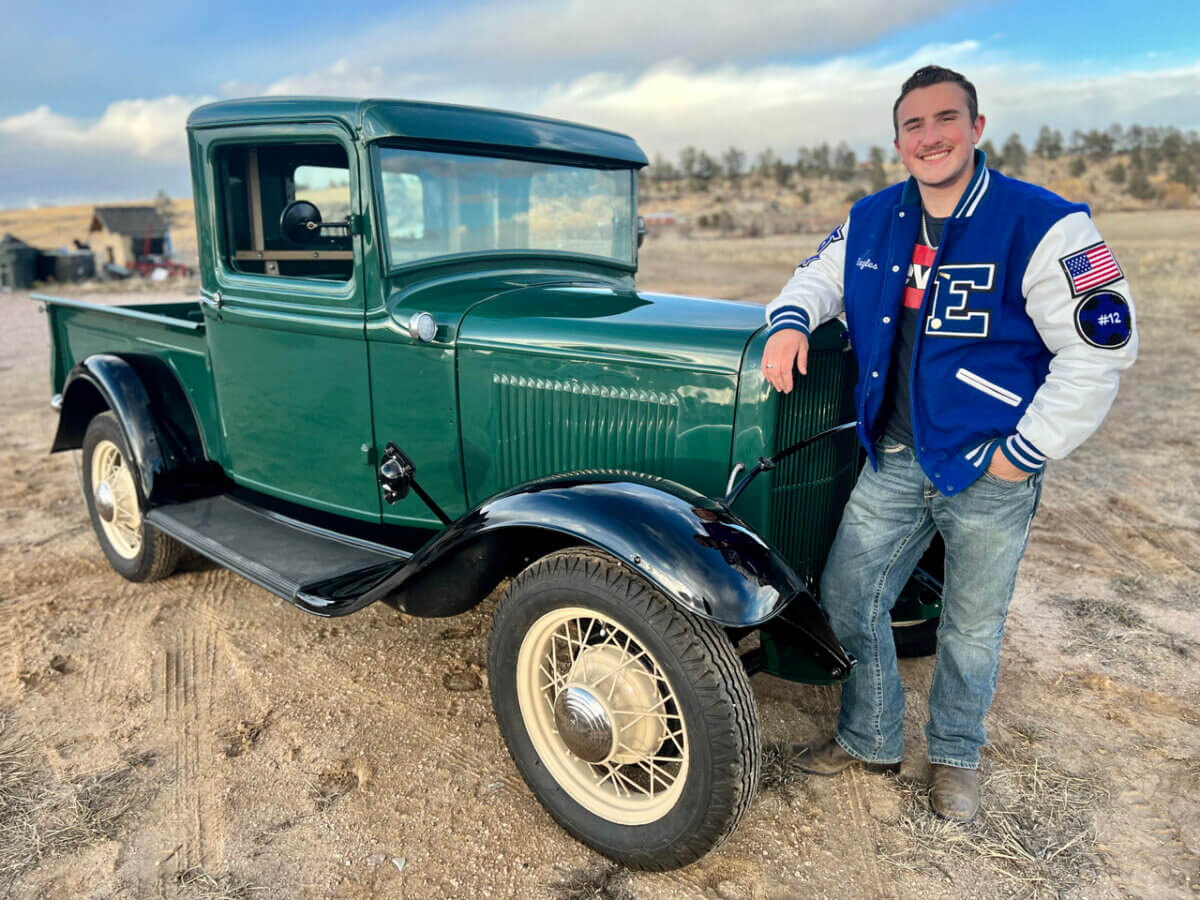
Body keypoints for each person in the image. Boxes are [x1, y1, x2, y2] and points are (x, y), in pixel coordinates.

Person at [761, 65, 1137, 821]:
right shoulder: (872, 218)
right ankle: (869, 738)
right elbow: (814, 278)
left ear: (976, 127)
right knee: (845, 596)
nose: (930, 136)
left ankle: (956, 756)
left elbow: (1101, 348)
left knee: (970, 626)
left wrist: (1023, 451)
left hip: (990, 467)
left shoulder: (1045, 222)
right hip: (896, 456)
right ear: (898, 140)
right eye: (914, 125)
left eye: (946, 120)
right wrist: (791, 320)